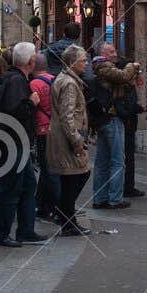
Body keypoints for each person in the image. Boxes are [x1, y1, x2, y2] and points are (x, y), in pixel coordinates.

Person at [0, 41, 46, 248]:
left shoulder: (15, 78)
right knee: (11, 189)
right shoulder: (16, 81)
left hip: (15, 140)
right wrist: (31, 102)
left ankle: (26, 230)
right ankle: (0, 233)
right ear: (30, 60)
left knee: (28, 185)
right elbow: (13, 112)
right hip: (13, 141)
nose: (37, 57)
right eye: (36, 54)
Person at [83, 42, 139, 210]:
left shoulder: (98, 67)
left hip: (102, 119)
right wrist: (133, 66)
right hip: (111, 118)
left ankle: (100, 198)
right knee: (117, 161)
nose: (115, 54)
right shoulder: (104, 66)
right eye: (112, 51)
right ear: (104, 54)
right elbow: (123, 76)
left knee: (102, 161)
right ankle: (115, 198)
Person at [47, 44, 92, 235]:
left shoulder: (67, 79)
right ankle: (66, 218)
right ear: (72, 62)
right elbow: (67, 116)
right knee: (76, 176)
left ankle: (66, 216)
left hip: (63, 136)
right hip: (66, 139)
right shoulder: (70, 84)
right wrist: (76, 141)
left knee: (74, 177)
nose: (86, 63)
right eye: (83, 60)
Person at [29, 51, 59, 221]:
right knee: (49, 169)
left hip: (42, 129)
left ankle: (56, 207)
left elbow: (33, 107)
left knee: (48, 170)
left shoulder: (34, 84)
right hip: (54, 127)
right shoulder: (54, 80)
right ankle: (41, 204)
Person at [115, 61, 145, 197]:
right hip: (127, 124)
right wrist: (137, 108)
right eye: (136, 74)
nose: (138, 77)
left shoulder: (126, 86)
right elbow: (126, 107)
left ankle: (128, 186)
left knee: (127, 157)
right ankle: (127, 187)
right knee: (127, 157)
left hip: (128, 124)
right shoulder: (126, 87)